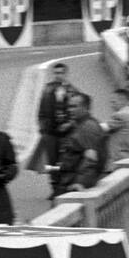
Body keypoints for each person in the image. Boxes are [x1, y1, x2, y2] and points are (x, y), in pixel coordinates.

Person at [36, 63, 80, 198]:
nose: (58, 75)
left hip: (66, 133)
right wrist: (42, 127)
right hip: (50, 132)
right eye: (56, 73)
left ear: (66, 74)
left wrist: (69, 124)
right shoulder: (47, 89)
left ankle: (63, 186)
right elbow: (41, 110)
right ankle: (54, 187)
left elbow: (78, 113)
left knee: (64, 160)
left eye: (61, 73)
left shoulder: (73, 91)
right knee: (51, 161)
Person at [54, 93, 106, 194]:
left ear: (85, 107)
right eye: (69, 106)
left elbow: (91, 160)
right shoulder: (79, 124)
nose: (69, 110)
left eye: (74, 107)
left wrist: (80, 183)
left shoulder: (88, 127)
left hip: (74, 185)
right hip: (68, 181)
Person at [103, 88, 129, 165]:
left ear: (122, 100)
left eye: (113, 102)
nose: (112, 105)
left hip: (117, 158)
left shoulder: (120, 115)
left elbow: (104, 128)